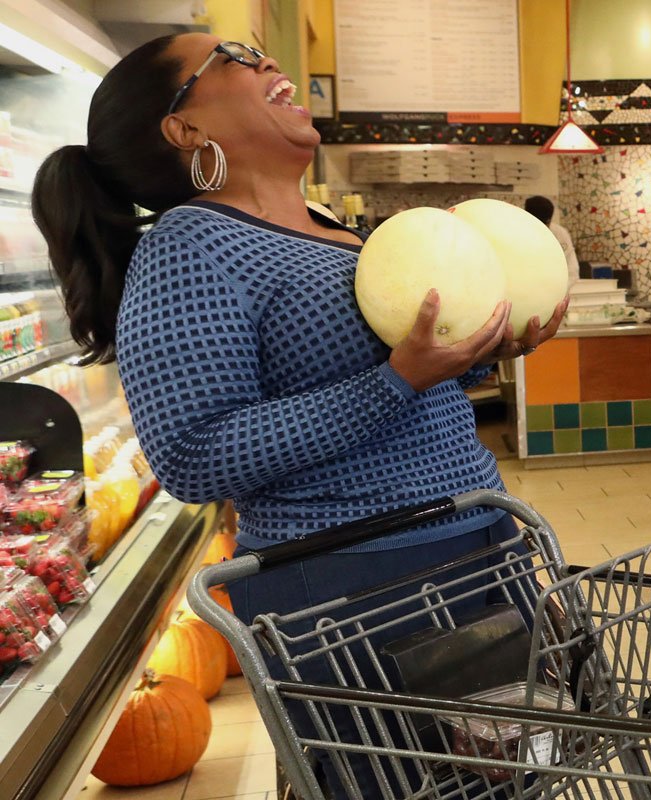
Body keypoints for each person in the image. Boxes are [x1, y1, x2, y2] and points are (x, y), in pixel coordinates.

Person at [31, 34, 568, 798]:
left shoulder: (331, 229)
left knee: (514, 781)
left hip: (478, 542)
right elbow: (192, 454)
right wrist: (398, 380)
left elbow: (402, 391)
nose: (264, 62)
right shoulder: (190, 245)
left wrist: (479, 352)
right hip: (354, 584)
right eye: (232, 56)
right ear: (185, 129)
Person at [524, 195, 581, 287]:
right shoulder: (517, 234)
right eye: (538, 224)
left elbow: (572, 270)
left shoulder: (560, 234)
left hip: (555, 290)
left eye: (546, 224)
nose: (543, 228)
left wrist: (560, 291)